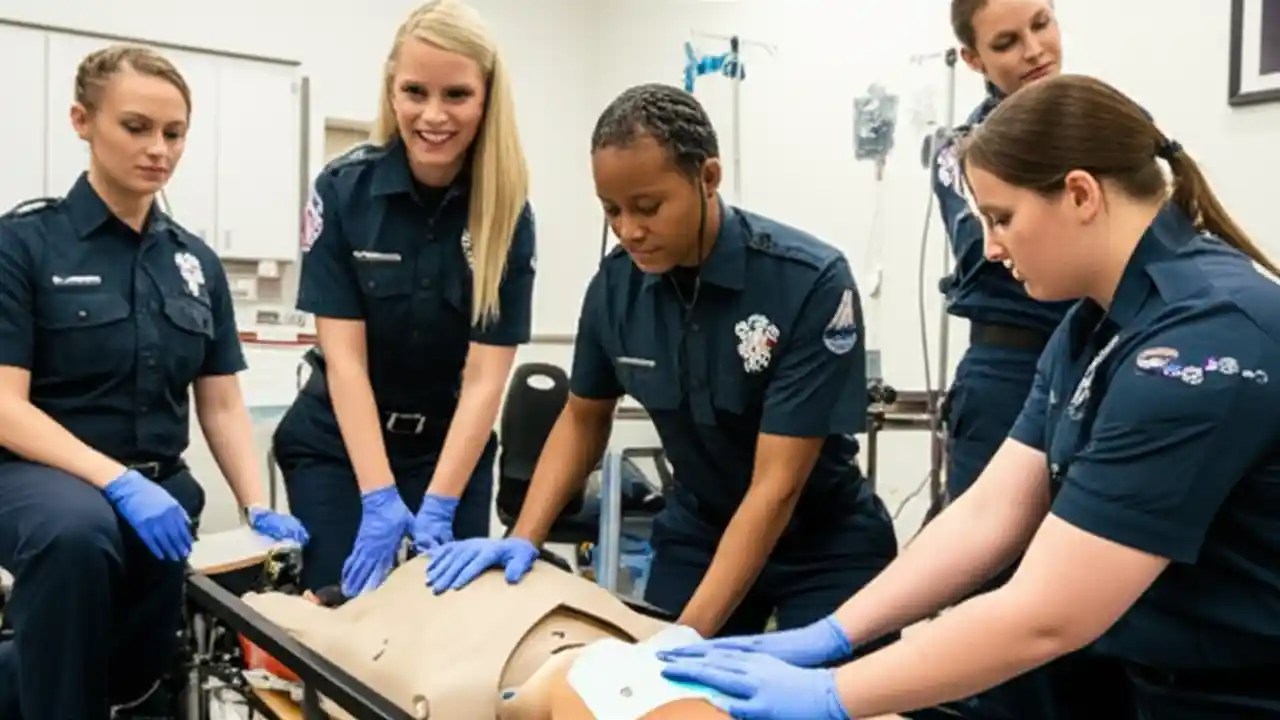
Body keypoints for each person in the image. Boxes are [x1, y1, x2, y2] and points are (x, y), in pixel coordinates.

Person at [658, 73, 1280, 720]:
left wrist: (833, 693)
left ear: (1080, 194)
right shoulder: (1093, 326)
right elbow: (990, 512)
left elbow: (1047, 611)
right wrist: (834, 633)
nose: (990, 247)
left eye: (1002, 217)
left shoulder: (1202, 342)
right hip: (1157, 681)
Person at [426, 82, 900, 647]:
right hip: (700, 528)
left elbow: (776, 487)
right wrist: (525, 536)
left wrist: (684, 638)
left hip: (824, 541)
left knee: (818, 687)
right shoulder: (615, 288)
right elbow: (583, 417)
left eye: (648, 208)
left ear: (708, 177)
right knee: (660, 685)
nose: (629, 230)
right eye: (611, 210)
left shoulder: (808, 283)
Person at [0, 44, 307, 720]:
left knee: (136, 674)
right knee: (76, 537)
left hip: (160, 490)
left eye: (174, 133)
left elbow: (220, 402)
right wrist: (115, 481)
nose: (158, 149)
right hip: (39, 481)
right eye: (136, 127)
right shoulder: (22, 246)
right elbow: (3, 406)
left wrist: (256, 505)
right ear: (82, 121)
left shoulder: (194, 262)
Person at [270, 0, 537, 596]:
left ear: (486, 99)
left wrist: (439, 504)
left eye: (457, 95)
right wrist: (378, 496)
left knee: (443, 618)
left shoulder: (507, 214)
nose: (433, 115)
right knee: (345, 613)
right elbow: (345, 362)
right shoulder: (344, 191)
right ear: (392, 90)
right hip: (340, 445)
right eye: (415, 91)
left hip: (449, 447)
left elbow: (485, 381)